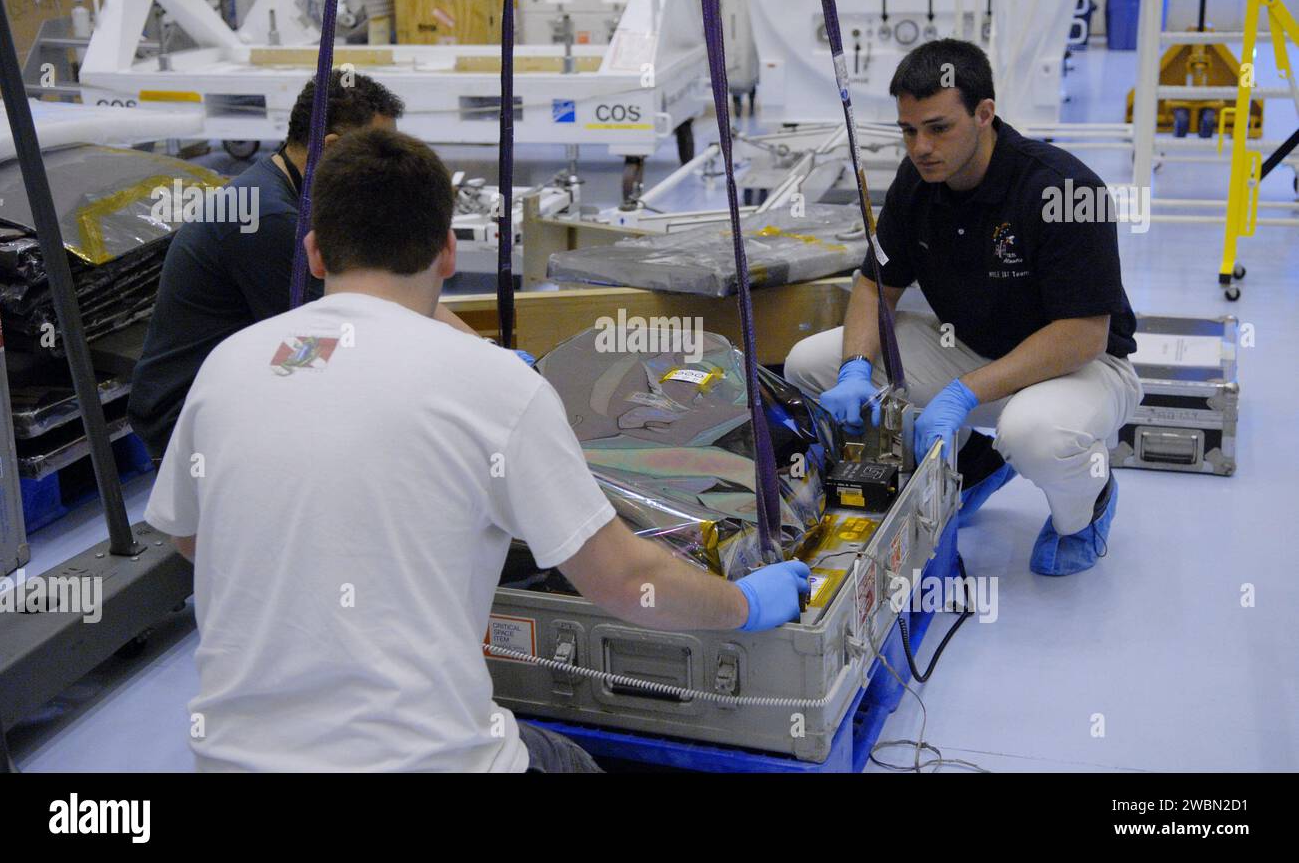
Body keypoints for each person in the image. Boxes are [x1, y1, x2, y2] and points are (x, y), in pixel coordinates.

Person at [143, 127, 810, 772]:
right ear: (447, 252)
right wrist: (745, 607)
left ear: (314, 253)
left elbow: (191, 540)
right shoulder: (496, 387)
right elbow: (631, 585)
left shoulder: (227, 366)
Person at [785, 39, 1142, 577]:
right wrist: (856, 369)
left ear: (984, 114)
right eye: (909, 131)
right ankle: (978, 460)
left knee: (1035, 436)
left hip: (1078, 368)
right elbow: (873, 288)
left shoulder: (1064, 188)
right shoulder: (918, 182)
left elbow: (1082, 335)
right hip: (970, 350)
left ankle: (1087, 509)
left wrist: (964, 393)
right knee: (809, 363)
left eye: (938, 127)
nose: (921, 147)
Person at [128, 71, 477, 461]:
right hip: (188, 422)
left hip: (238, 392)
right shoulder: (268, 217)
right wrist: (477, 367)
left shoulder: (287, 186)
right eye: (377, 152)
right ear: (332, 146)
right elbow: (355, 329)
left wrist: (483, 351)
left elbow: (390, 290)